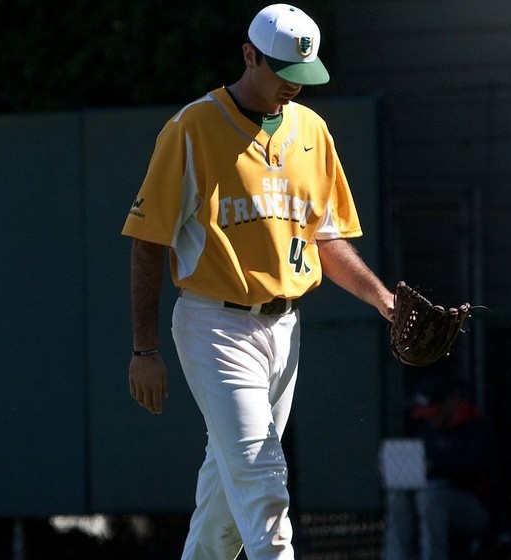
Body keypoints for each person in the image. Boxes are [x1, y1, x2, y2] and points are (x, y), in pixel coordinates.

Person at [121, 4, 397, 558]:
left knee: (226, 502)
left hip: (285, 329)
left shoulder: (312, 130)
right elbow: (149, 242)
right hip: (214, 324)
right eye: (283, 74)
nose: (294, 88)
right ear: (249, 56)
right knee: (264, 484)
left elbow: (326, 238)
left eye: (304, 76)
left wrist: (383, 299)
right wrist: (144, 348)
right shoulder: (192, 128)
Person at [385, 373, 495, 560]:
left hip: (473, 507)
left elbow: (472, 468)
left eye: (434, 411)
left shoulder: (475, 427)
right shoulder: (427, 431)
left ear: (449, 402)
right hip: (428, 498)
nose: (431, 418)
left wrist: (433, 467)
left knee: (431, 499)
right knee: (398, 495)